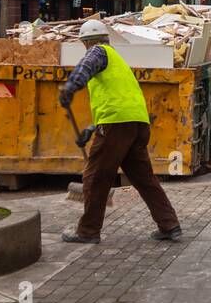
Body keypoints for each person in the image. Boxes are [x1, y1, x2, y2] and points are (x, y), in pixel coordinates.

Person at [58, 19, 182, 244]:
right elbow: (118, 101)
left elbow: (86, 66)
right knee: (144, 179)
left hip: (117, 125)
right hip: (135, 124)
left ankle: (88, 231)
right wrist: (92, 128)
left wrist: (70, 87)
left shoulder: (99, 51)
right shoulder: (117, 62)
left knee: (95, 177)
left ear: (87, 42)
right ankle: (169, 224)